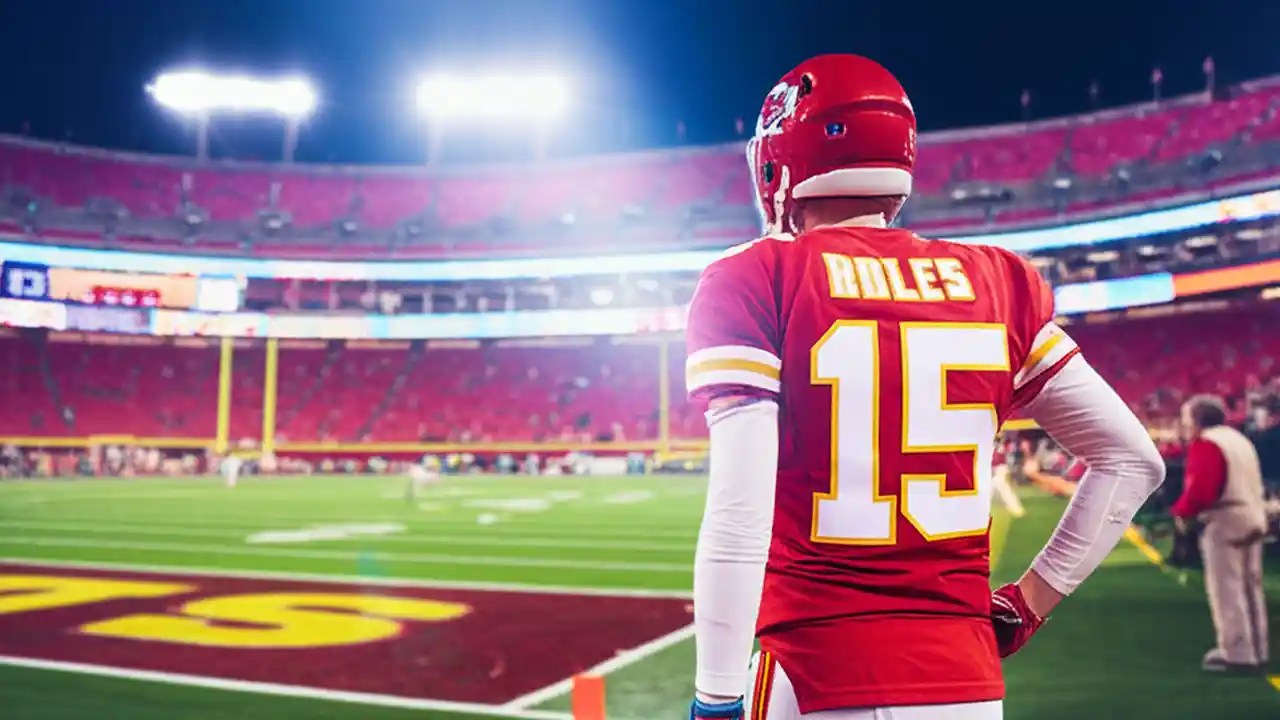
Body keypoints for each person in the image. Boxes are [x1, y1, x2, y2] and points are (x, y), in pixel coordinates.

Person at [685, 54, 1166, 720]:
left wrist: (715, 698)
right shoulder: (1001, 281)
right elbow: (1133, 461)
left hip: (815, 670)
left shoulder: (757, 275)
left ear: (781, 161)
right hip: (963, 682)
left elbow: (741, 511)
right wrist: (1028, 603)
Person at [1169, 394, 1269, 672]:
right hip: (1254, 513)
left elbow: (1201, 489)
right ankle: (1258, 648)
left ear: (1197, 419)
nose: (1185, 425)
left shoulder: (1207, 443)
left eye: (1187, 419)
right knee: (1251, 587)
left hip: (1226, 518)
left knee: (1227, 587)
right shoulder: (1239, 440)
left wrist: (1181, 512)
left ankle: (1237, 653)